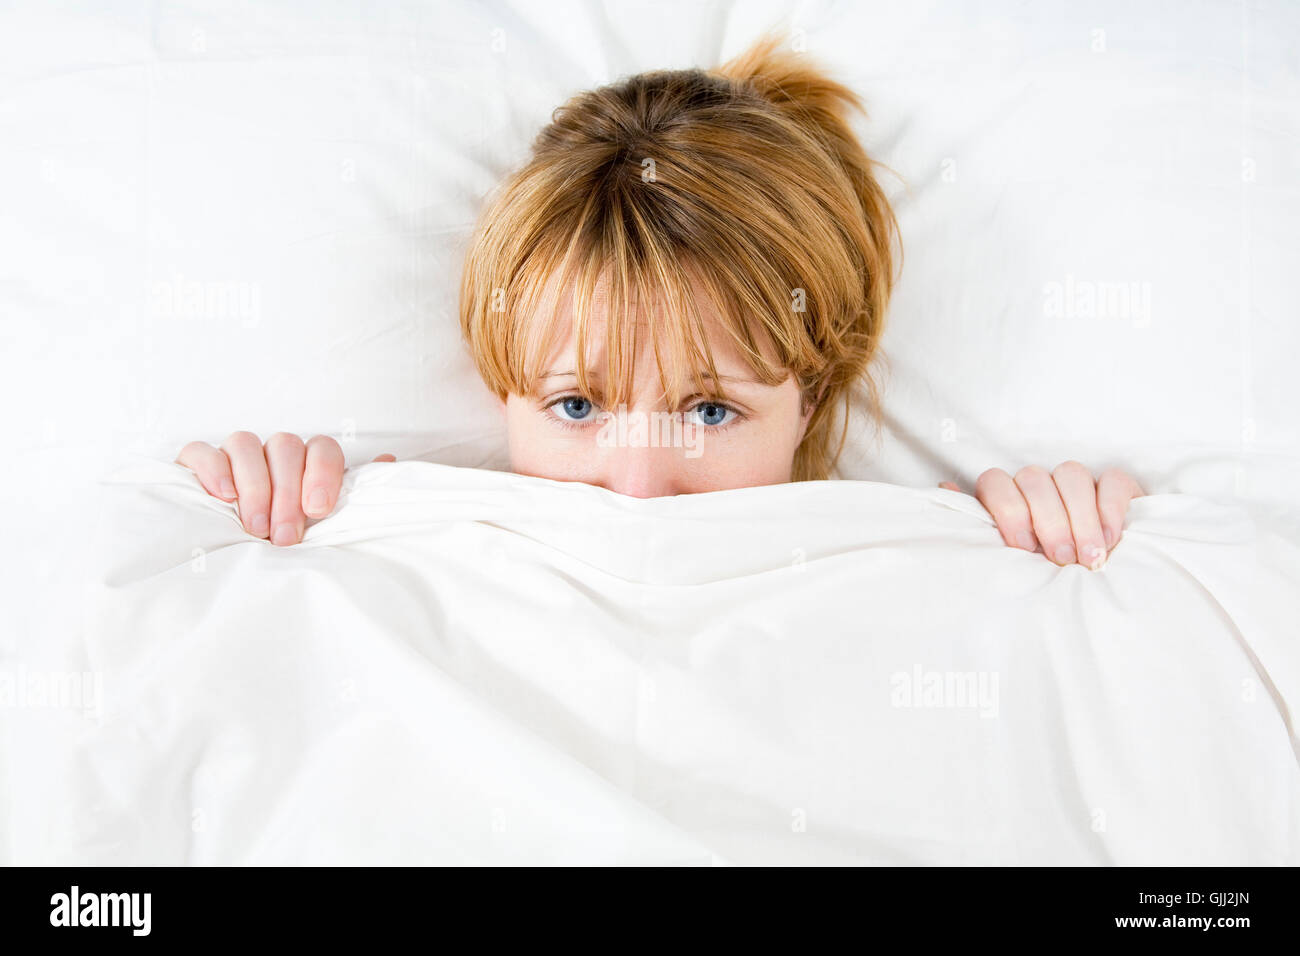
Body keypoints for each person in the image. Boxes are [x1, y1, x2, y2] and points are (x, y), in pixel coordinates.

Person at [176, 32, 1143, 570]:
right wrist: (271, 498)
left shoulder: (907, 552)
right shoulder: (413, 534)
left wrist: (1067, 527)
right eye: (576, 406)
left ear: (812, 394)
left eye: (711, 409)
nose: (637, 486)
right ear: (503, 391)